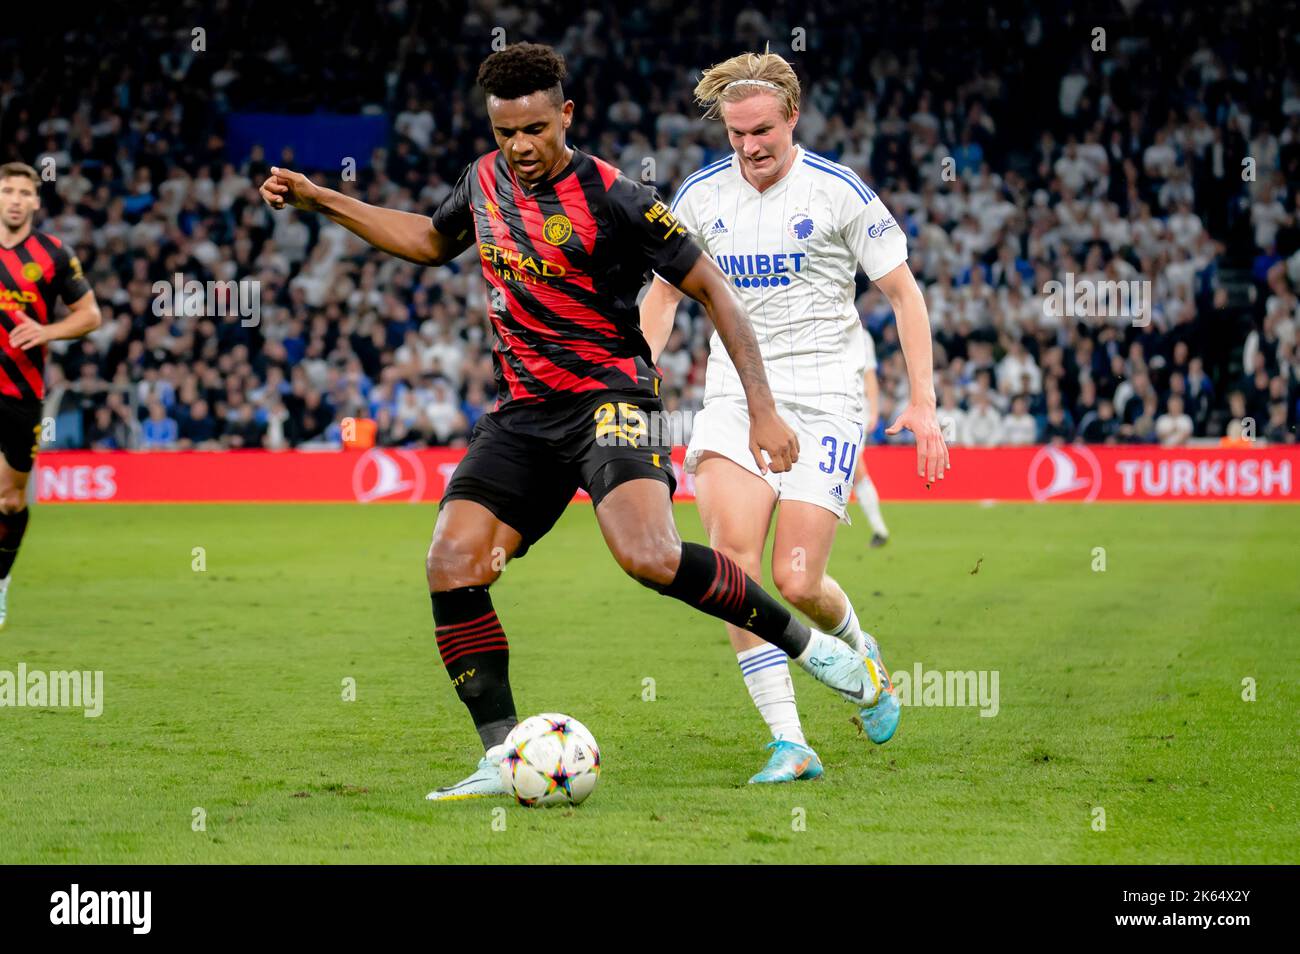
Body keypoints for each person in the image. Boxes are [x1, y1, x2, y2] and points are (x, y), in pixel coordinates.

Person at [260, 43, 889, 800]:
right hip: (524, 412)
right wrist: (321, 199)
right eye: (505, 133)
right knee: (451, 565)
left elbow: (716, 291)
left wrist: (761, 409)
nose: (520, 147)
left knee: (648, 555)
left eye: (534, 129)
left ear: (565, 114)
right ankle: (501, 760)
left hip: (617, 398)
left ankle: (812, 647)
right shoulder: (483, 181)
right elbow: (431, 240)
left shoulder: (617, 196)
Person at [640, 52, 947, 783]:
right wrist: (637, 369)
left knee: (799, 579)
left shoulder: (840, 192)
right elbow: (662, 296)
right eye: (737, 133)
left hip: (825, 397)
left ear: (793, 118)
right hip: (734, 395)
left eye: (763, 131)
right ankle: (791, 741)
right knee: (733, 565)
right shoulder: (700, 195)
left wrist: (923, 402)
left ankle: (860, 652)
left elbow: (905, 295)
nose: (750, 146)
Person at [0, 162, 102, 628]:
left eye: (25, 192)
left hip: (22, 393)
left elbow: (90, 315)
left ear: (37, 201)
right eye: (8, 190)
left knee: (10, 502)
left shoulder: (53, 254)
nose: (16, 199)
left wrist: (47, 330)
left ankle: (2, 581)